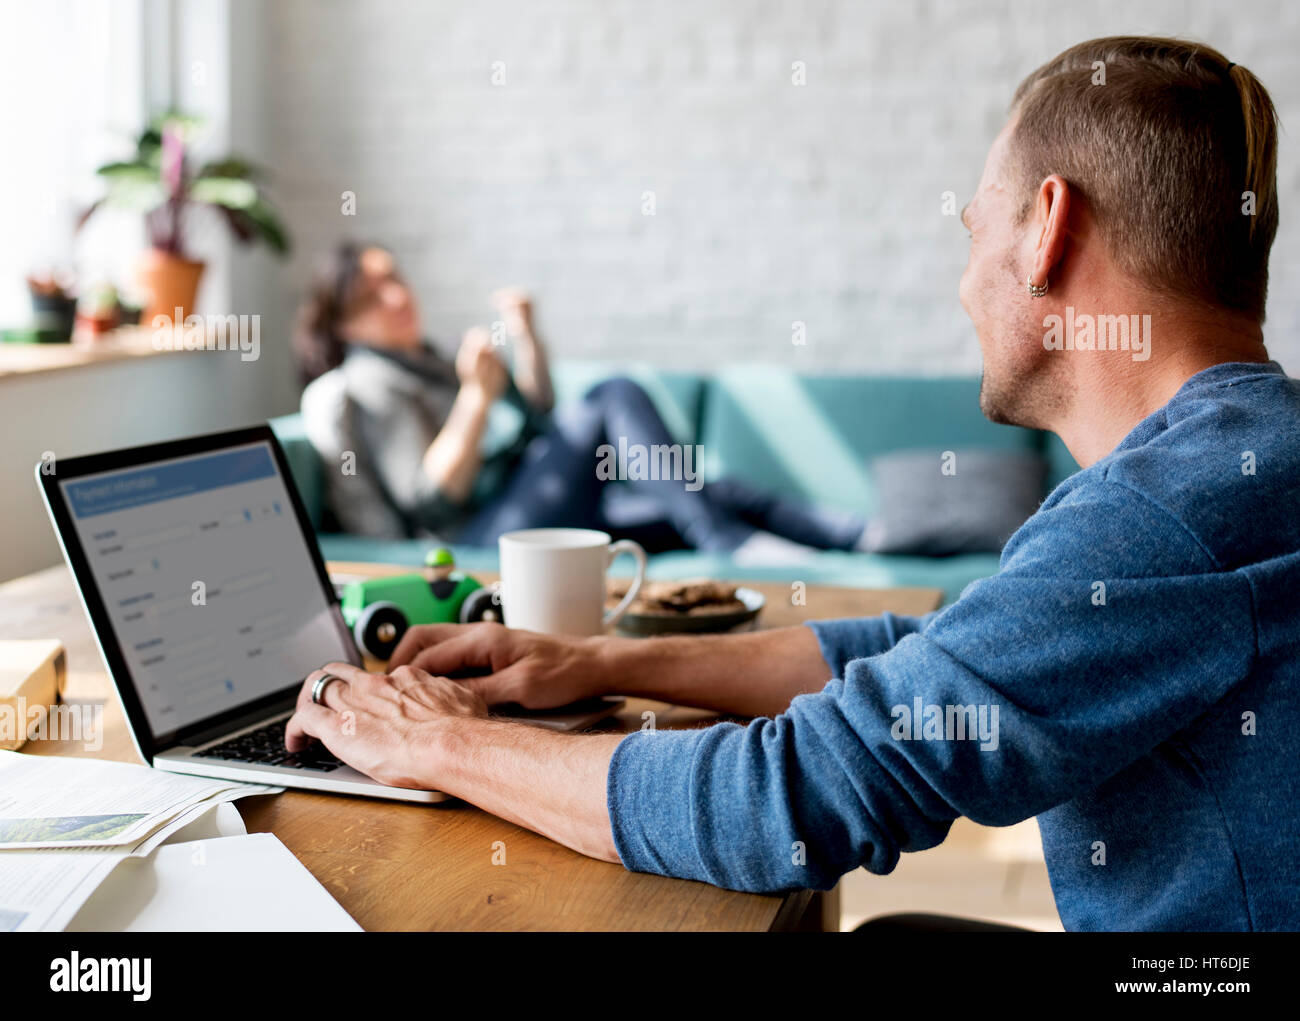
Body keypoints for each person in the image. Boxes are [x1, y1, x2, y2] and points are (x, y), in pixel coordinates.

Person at [286, 37, 1300, 931]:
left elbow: (795, 799)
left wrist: (436, 744)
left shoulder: (1161, 515)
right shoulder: (1232, 463)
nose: (963, 280)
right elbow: (941, 659)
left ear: (1045, 229)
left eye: (970, 226)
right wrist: (588, 662)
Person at [294, 243, 869, 556]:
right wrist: (473, 399)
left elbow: (538, 419)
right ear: (344, 321)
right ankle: (725, 545)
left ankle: (859, 536)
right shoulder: (371, 383)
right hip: (481, 537)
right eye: (374, 294)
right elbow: (431, 502)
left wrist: (525, 339)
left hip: (530, 505)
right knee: (612, 393)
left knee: (715, 492)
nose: (397, 295)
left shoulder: (430, 361)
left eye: (396, 277)